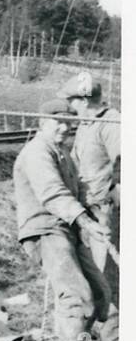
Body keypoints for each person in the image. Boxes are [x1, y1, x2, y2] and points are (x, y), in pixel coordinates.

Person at [13, 99, 117, 341]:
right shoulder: (37, 152)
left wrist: (95, 217)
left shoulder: (62, 153)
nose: (63, 128)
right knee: (76, 295)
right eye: (57, 122)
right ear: (42, 123)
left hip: (65, 229)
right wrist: (86, 222)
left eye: (68, 124)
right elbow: (53, 193)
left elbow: (78, 187)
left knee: (100, 291)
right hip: (44, 230)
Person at [63, 72, 120, 306]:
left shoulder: (111, 122)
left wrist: (117, 189)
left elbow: (124, 159)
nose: (69, 106)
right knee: (91, 268)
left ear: (84, 101)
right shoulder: (87, 124)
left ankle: (113, 332)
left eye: (72, 100)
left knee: (106, 269)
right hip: (87, 208)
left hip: (104, 209)